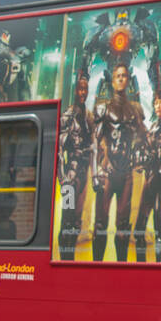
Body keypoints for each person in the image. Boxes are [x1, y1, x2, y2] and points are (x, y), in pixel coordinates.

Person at [92, 63, 146, 261]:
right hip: (106, 171)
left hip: (126, 174)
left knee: (123, 227)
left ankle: (122, 269)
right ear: (113, 80)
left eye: (124, 75)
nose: (121, 79)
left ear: (128, 80)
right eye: (118, 76)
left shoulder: (136, 110)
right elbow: (94, 143)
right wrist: (94, 173)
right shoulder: (103, 108)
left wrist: (142, 156)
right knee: (100, 225)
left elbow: (143, 138)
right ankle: (96, 269)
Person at [57, 73, 94, 260]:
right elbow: (58, 149)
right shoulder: (68, 116)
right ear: (74, 91)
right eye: (80, 89)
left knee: (76, 222)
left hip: (83, 174)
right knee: (67, 218)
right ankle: (64, 259)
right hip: (70, 177)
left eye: (85, 89)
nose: (83, 93)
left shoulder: (88, 116)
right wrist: (63, 179)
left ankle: (69, 261)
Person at [133, 90, 161, 262]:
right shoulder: (152, 127)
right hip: (150, 178)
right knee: (140, 227)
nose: (158, 106)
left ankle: (159, 262)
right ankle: (142, 265)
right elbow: (147, 153)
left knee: (158, 225)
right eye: (155, 102)